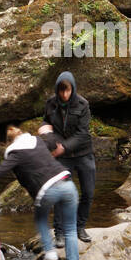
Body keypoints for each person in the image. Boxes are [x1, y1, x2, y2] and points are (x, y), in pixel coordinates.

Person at [0, 124, 86, 260]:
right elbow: (53, 139)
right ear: (22, 134)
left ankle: (50, 252)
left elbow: (0, 172)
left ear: (9, 143)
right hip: (67, 183)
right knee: (70, 228)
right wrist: (48, 132)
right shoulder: (37, 140)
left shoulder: (14, 154)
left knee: (41, 219)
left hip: (46, 191)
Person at [42, 69, 96, 245]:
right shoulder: (51, 104)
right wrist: (46, 132)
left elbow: (82, 134)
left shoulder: (83, 104)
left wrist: (63, 147)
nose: (65, 95)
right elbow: (47, 123)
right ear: (57, 90)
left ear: (73, 89)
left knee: (87, 192)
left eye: (68, 90)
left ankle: (80, 227)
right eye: (61, 91)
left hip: (83, 154)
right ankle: (59, 232)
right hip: (62, 157)